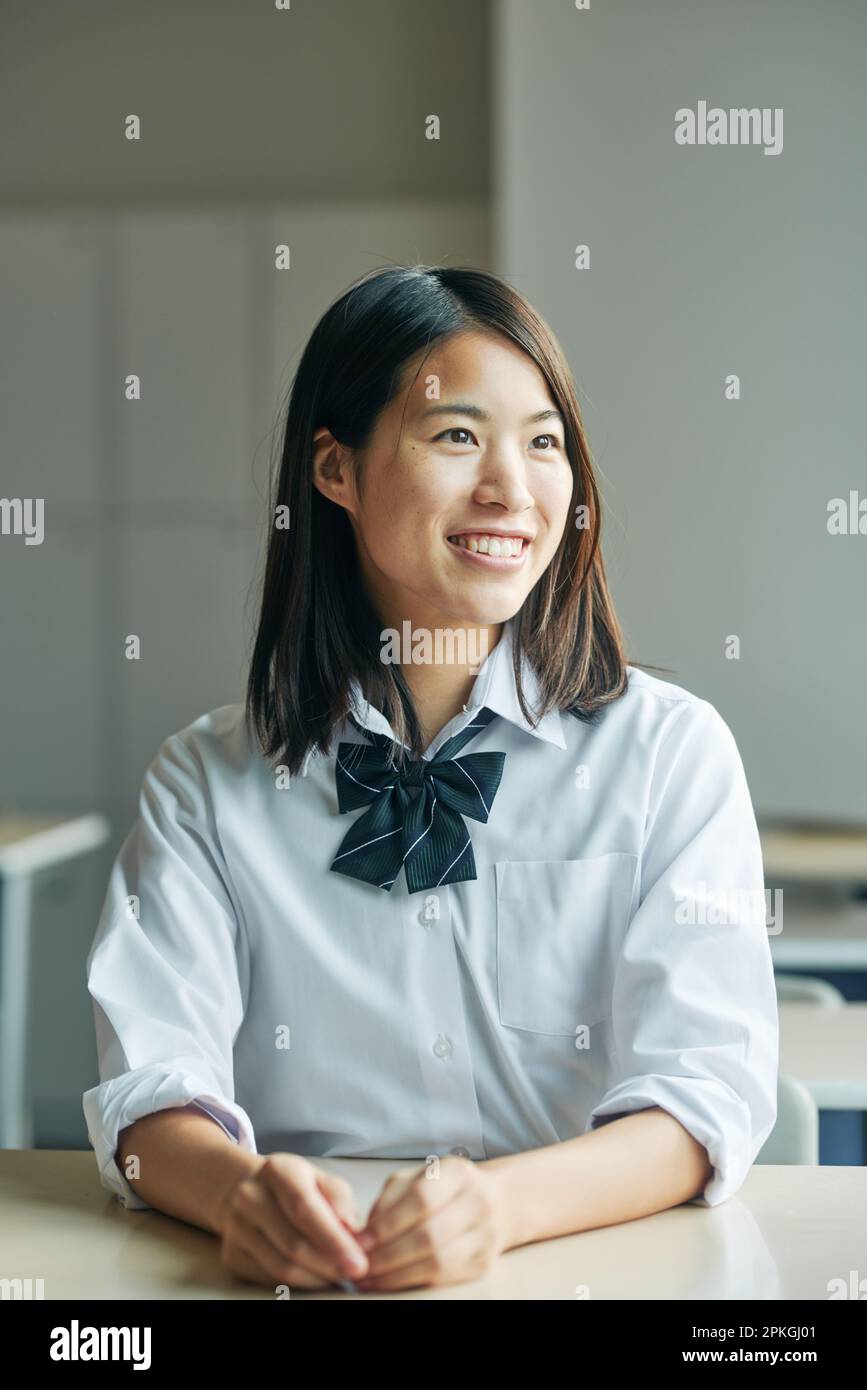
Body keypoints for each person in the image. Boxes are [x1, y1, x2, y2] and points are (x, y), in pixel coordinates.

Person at [83, 264, 778, 1293]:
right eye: (456, 435)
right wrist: (241, 1197)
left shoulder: (671, 753)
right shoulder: (206, 781)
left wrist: (496, 1209)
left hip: (592, 1275)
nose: (511, 487)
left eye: (544, 441)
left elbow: (704, 1095)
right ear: (336, 469)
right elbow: (147, 1093)